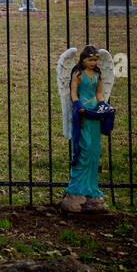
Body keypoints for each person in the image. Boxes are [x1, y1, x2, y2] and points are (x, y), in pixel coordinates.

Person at [61, 45, 108, 214]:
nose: (93, 63)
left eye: (95, 60)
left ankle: (91, 189)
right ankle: (77, 188)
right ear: (83, 60)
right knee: (84, 148)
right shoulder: (78, 74)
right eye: (90, 60)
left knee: (94, 151)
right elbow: (73, 93)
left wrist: (104, 106)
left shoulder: (98, 75)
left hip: (94, 113)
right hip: (82, 114)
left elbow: (99, 94)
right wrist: (78, 105)